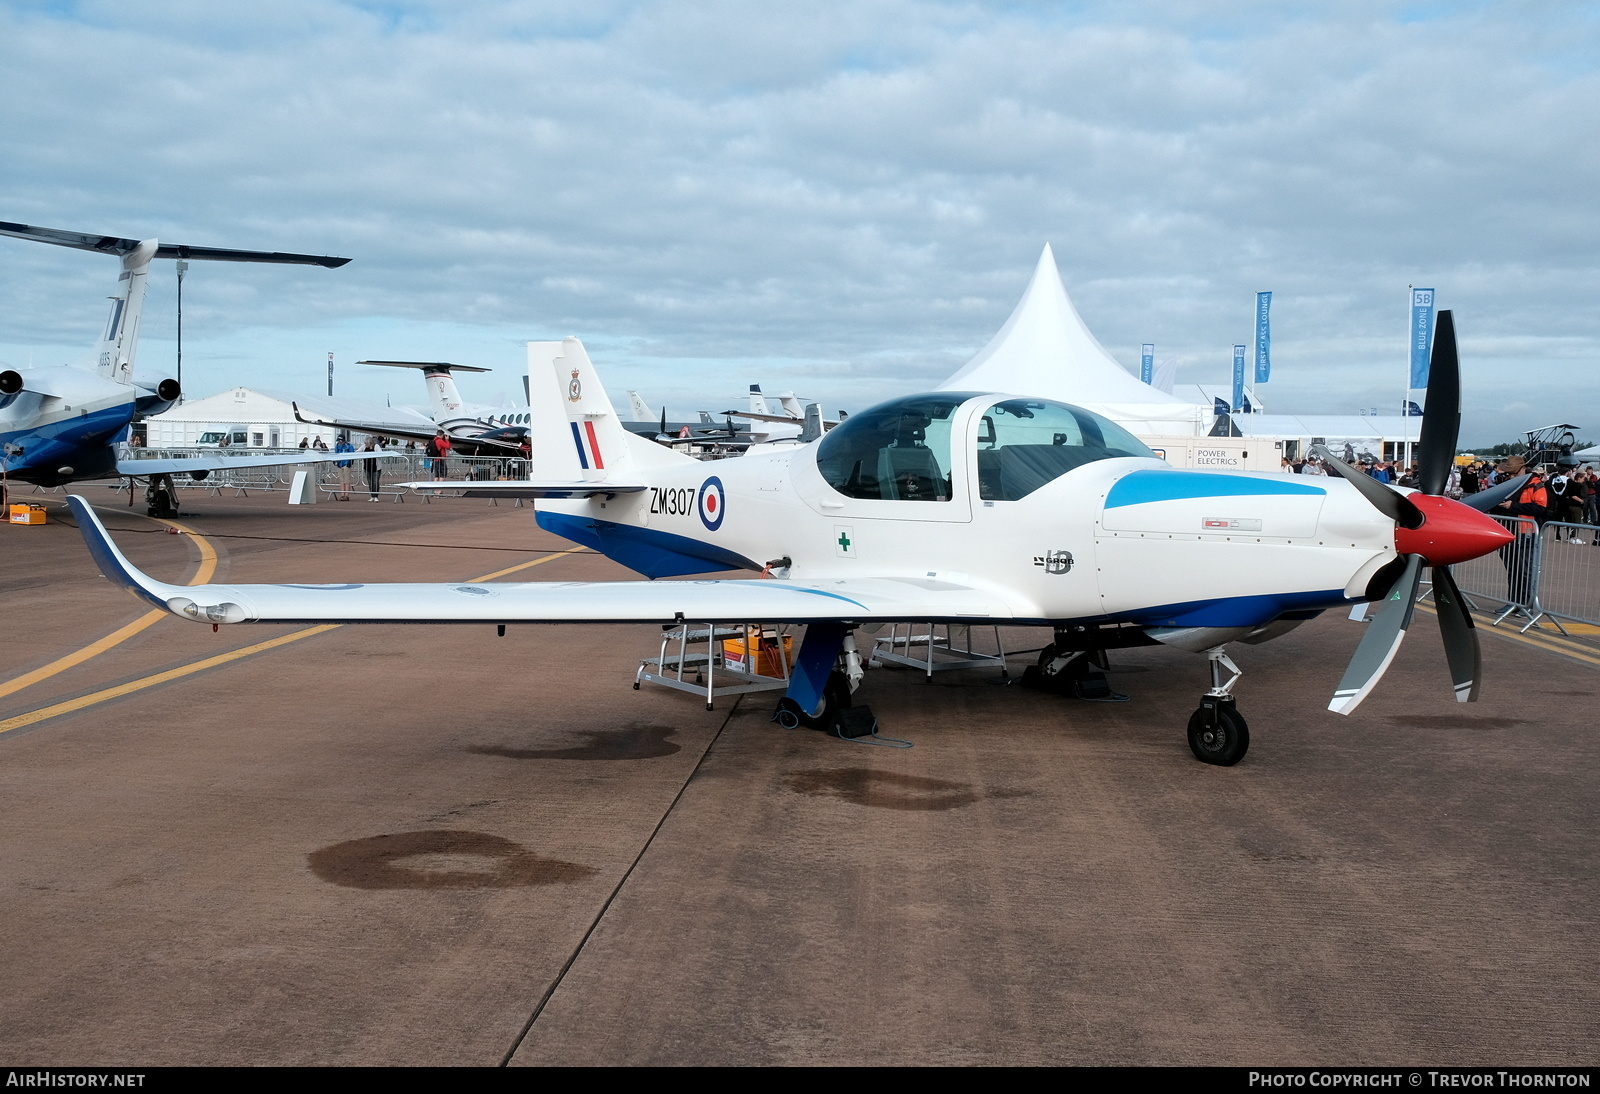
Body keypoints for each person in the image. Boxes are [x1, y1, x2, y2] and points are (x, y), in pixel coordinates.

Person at [1493, 456, 1547, 611]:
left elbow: (1541, 508)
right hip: (1509, 531)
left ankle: (1526, 605)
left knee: (1525, 571)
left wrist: (1512, 506)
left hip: (1526, 533)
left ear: (1521, 469)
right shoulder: (1509, 484)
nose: (1509, 475)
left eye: (1511, 472)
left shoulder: (1536, 485)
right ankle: (1515, 602)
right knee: (1513, 569)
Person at [334, 434, 355, 500]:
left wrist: (349, 463)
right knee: (341, 480)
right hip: (339, 464)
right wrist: (335, 462)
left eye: (341, 441)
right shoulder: (337, 446)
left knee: (346, 480)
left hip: (346, 464)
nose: (340, 443)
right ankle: (342, 494)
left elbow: (352, 455)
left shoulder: (349, 446)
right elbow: (335, 454)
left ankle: (346, 495)